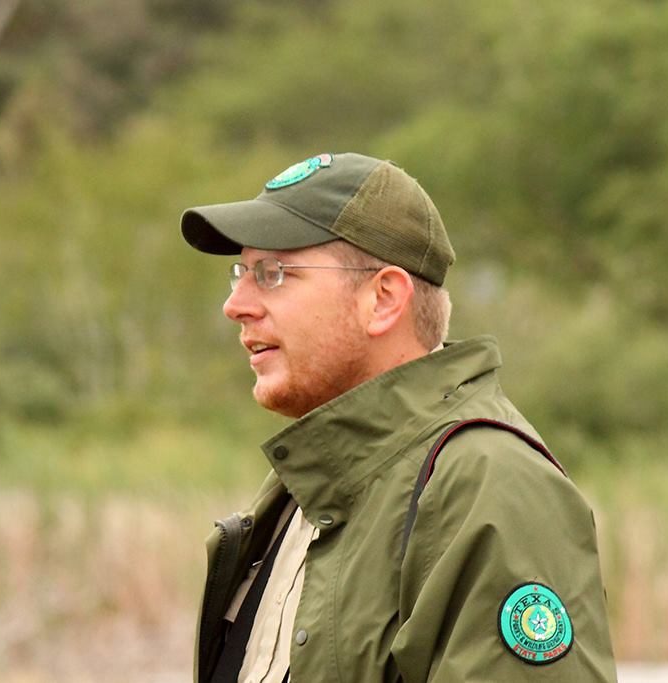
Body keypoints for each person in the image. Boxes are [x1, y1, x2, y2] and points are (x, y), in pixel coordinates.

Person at [179, 152, 617, 682]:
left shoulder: (489, 485)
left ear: (383, 299)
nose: (236, 304)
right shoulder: (311, 485)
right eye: (240, 273)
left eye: (272, 273)